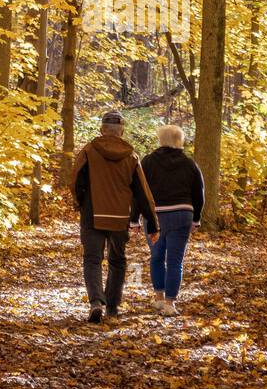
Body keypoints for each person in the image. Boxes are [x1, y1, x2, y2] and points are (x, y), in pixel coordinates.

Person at [72, 110, 158, 324]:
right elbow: (142, 192)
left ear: (102, 130)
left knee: (92, 259)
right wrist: (152, 222)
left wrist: (81, 202)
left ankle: (95, 303)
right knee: (117, 261)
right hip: (119, 216)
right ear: (122, 132)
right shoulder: (131, 157)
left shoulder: (89, 151)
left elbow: (75, 181)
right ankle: (112, 309)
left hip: (92, 214)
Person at [139, 124, 204, 315]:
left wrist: (134, 218)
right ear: (179, 140)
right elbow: (199, 193)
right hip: (182, 215)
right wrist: (197, 218)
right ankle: (170, 304)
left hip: (155, 218)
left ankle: (158, 298)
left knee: (157, 257)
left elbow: (139, 191)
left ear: (161, 140)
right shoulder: (190, 163)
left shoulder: (148, 162)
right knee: (175, 261)